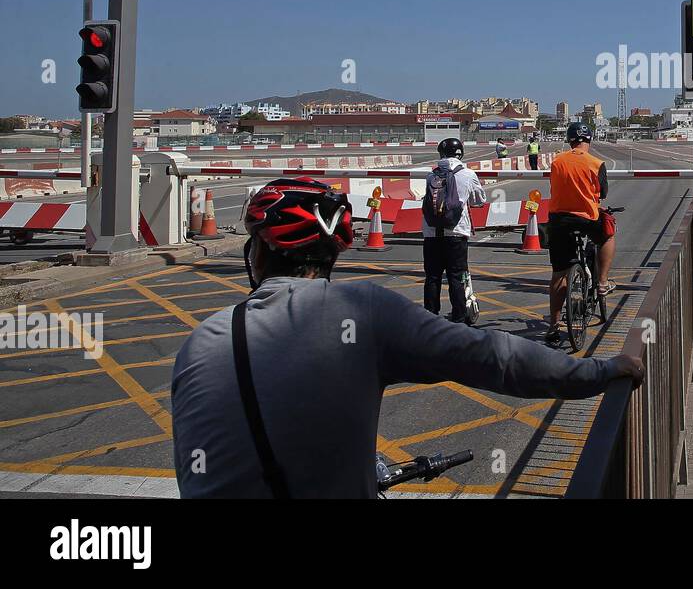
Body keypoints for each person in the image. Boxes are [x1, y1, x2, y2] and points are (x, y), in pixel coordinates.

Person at [170, 176, 644, 498]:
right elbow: (493, 357)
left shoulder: (202, 341)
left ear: (258, 255)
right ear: (333, 255)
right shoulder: (361, 311)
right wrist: (597, 372)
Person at [545, 122, 616, 346]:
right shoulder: (596, 163)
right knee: (607, 235)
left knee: (559, 274)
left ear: (569, 140)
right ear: (589, 140)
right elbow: (602, 192)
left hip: (559, 221)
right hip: (586, 218)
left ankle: (554, 327)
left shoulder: (557, 161)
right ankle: (602, 282)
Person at [422, 137, 487, 323]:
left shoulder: (431, 175)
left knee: (432, 277)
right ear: (461, 154)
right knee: (456, 276)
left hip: (431, 233)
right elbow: (479, 201)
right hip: (456, 233)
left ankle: (430, 317)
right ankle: (459, 318)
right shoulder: (467, 174)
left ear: (441, 154)